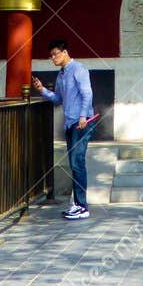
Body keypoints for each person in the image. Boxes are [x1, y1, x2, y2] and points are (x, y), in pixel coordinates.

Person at [33, 39, 98, 220]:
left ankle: (82, 206)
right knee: (73, 163)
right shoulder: (61, 75)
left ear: (65, 52)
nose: (53, 58)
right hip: (70, 123)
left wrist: (84, 116)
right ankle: (77, 204)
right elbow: (58, 99)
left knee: (77, 162)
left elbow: (87, 94)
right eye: (51, 55)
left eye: (55, 54)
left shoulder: (78, 69)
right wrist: (42, 90)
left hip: (82, 122)